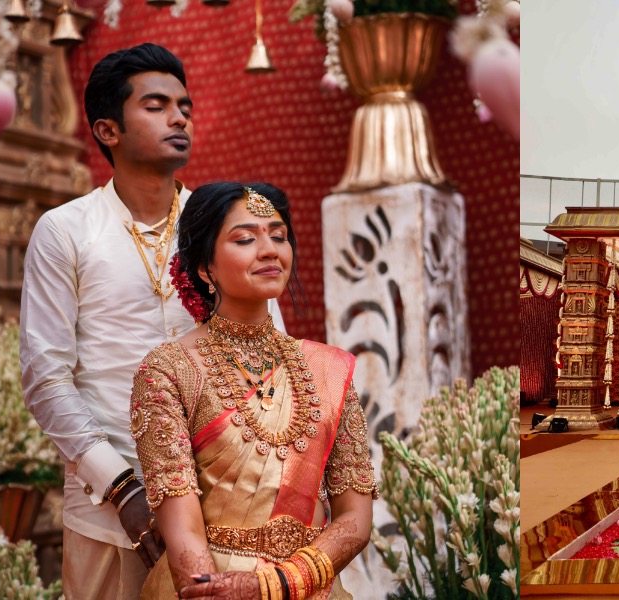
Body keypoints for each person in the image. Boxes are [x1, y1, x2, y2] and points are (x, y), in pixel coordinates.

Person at [20, 44, 283, 599]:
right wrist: (124, 491)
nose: (180, 117)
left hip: (227, 503)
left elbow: (271, 355)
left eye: (184, 105)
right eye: (157, 105)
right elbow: (46, 379)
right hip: (109, 511)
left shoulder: (227, 226)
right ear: (107, 130)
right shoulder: (66, 231)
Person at [131, 182, 376, 599]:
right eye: (245, 239)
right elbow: (182, 529)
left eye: (279, 236)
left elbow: (355, 519)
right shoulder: (169, 370)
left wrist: (277, 584)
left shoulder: (328, 370)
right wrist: (213, 591)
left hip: (309, 588)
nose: (270, 250)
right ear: (205, 268)